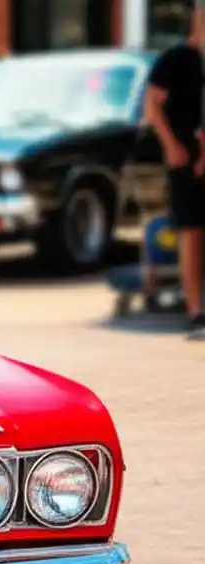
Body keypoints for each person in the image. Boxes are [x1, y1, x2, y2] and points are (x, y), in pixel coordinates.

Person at [145, 6, 205, 335]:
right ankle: (196, 310)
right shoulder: (177, 58)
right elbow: (152, 105)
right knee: (191, 233)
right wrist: (171, 145)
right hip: (185, 158)